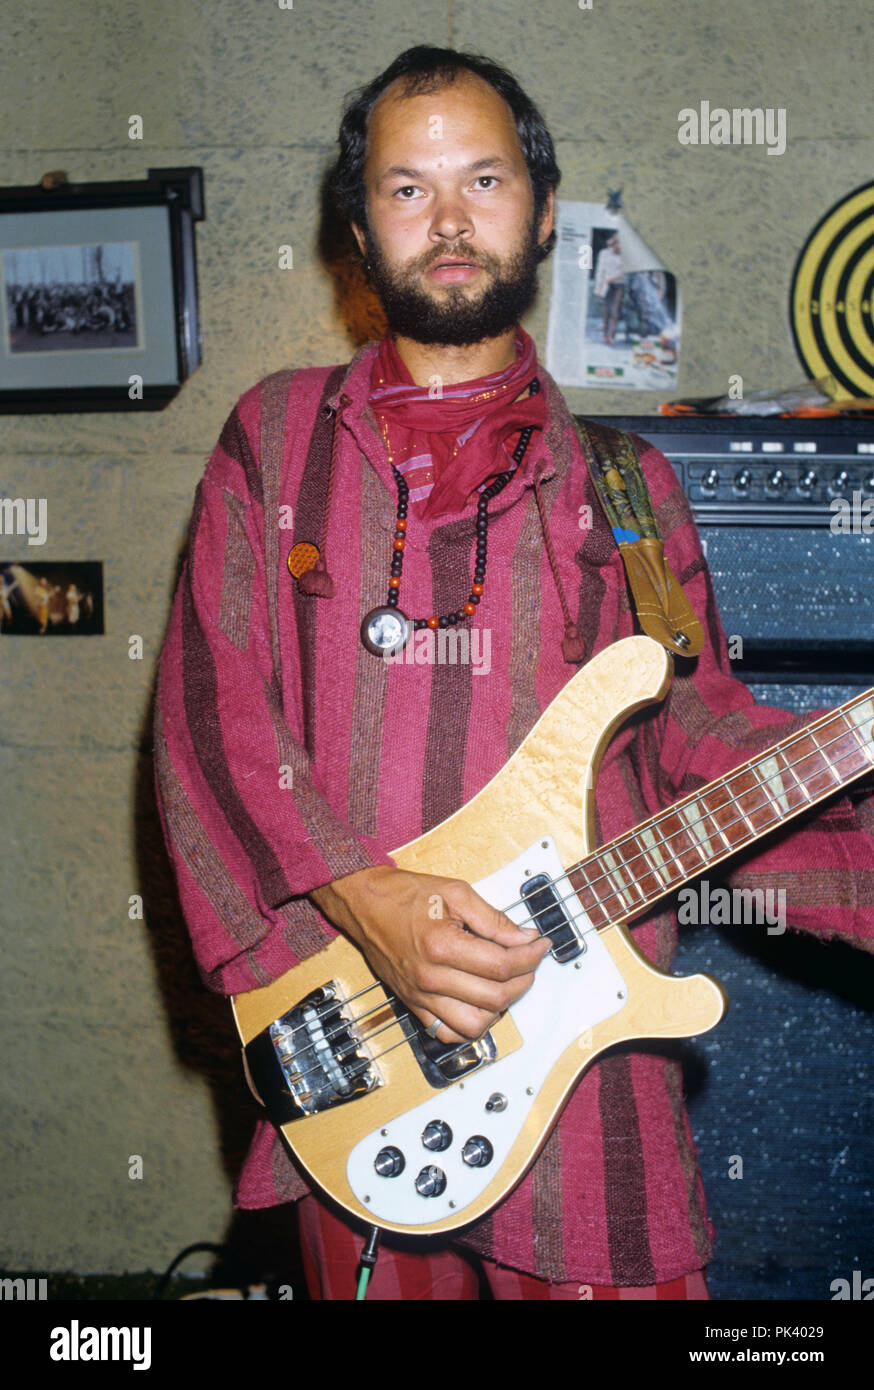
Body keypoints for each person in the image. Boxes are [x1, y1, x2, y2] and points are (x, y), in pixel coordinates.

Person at [154, 45, 874, 1301]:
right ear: (358, 228)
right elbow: (214, 716)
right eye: (404, 187)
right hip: (363, 1053)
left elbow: (696, 734)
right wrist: (369, 901)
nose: (446, 220)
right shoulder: (271, 442)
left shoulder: (632, 488)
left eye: (482, 180)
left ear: (542, 212)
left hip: (585, 1056)